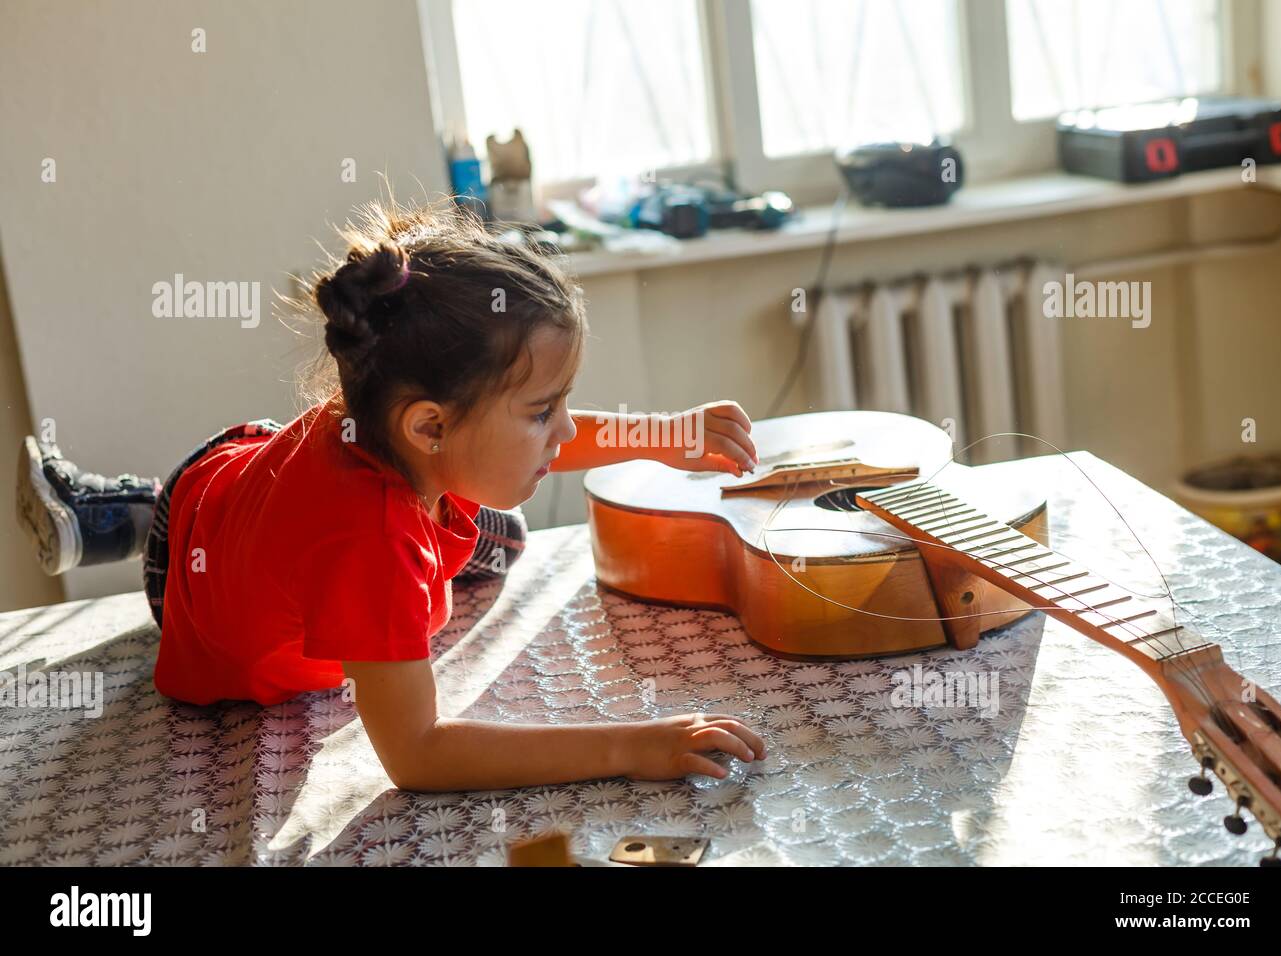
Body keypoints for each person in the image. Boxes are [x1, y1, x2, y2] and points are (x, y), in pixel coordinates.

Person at [14, 198, 767, 791]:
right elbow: (419, 754)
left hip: (230, 482)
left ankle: (117, 513)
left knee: (499, 538)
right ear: (429, 428)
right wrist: (637, 745)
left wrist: (666, 433)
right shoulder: (372, 549)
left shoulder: (379, 411)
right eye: (544, 411)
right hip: (184, 574)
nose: (563, 428)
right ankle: (116, 515)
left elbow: (521, 443)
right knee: (495, 540)